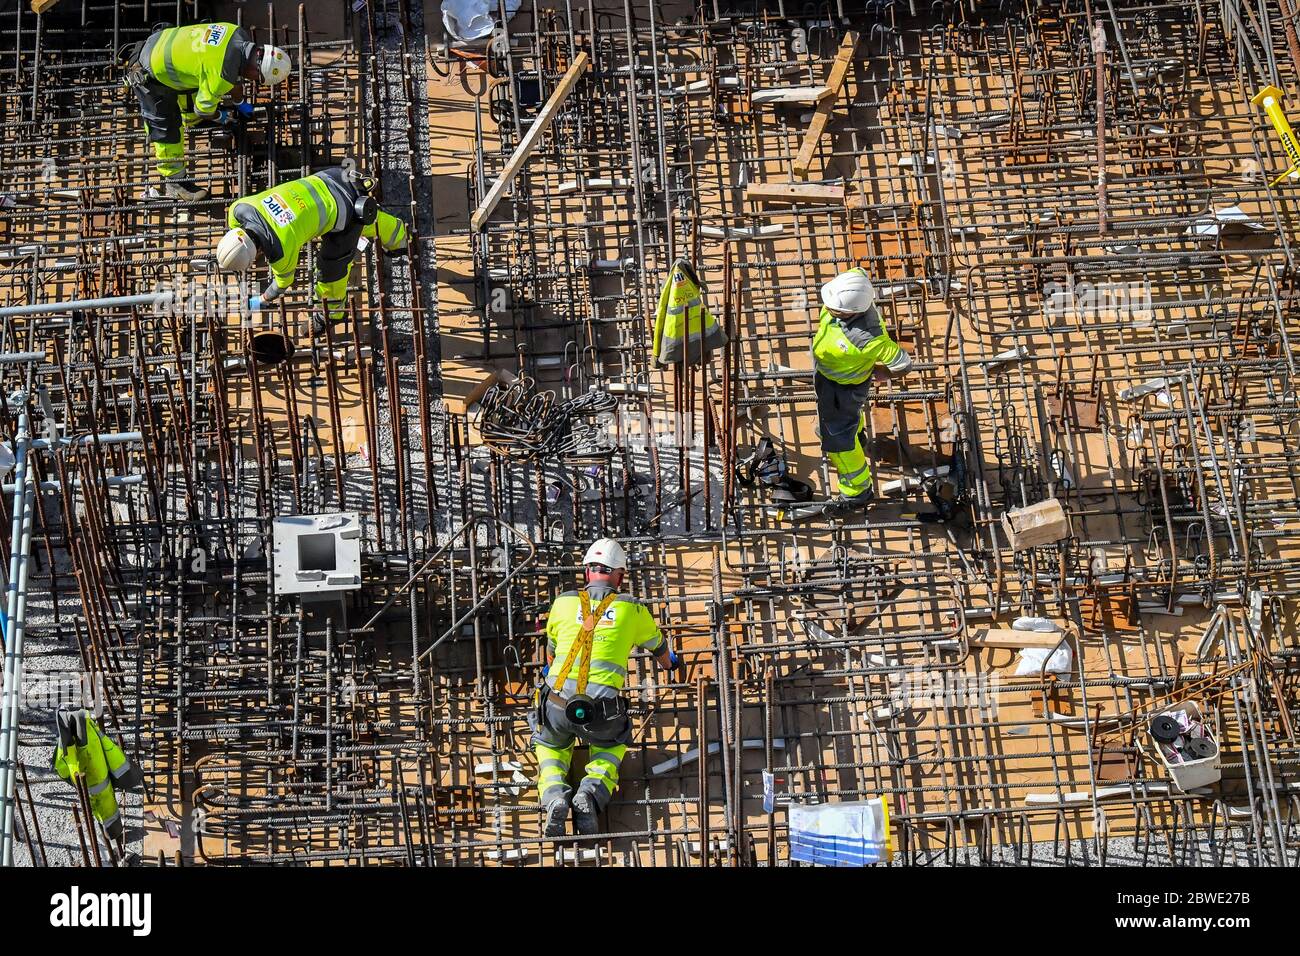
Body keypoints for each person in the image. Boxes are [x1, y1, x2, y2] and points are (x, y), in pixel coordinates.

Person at [532, 538, 681, 836]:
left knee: (550, 747)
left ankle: (554, 797)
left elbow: (550, 653)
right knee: (610, 747)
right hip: (601, 712)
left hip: (557, 705)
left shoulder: (562, 603)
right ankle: (589, 793)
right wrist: (673, 664)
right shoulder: (632, 609)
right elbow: (662, 652)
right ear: (620, 575)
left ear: (587, 572)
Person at [214, 165, 409, 334]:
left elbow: (283, 283)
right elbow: (238, 229)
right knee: (357, 221)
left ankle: (331, 313)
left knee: (330, 270)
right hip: (331, 177)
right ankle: (399, 236)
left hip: (345, 208)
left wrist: (263, 299)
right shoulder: (239, 208)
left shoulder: (280, 250)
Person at [125, 22, 292, 200]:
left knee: (195, 80)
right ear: (256, 71)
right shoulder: (221, 75)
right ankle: (174, 182)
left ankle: (190, 121)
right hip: (147, 70)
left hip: (162, 43)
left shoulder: (238, 33)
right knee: (166, 127)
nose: (254, 81)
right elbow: (203, 109)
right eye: (257, 79)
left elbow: (233, 74)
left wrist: (240, 102)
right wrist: (221, 117)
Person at [811, 267, 913, 505]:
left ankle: (857, 490)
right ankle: (858, 433)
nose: (826, 308)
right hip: (830, 378)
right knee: (850, 421)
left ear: (851, 312)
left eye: (834, 308)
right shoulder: (851, 286)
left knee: (837, 441)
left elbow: (903, 364)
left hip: (844, 389)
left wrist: (882, 371)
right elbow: (859, 271)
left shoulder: (868, 337)